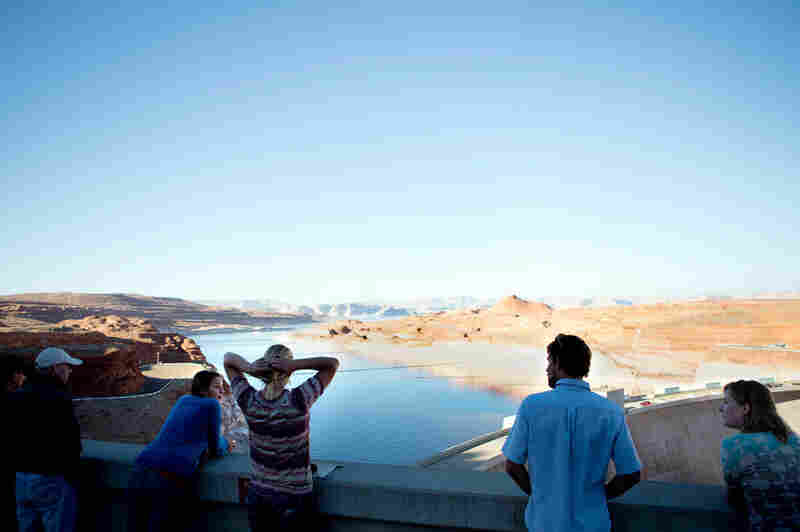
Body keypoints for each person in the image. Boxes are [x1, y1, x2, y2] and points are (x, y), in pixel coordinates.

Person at [502, 333, 642, 532]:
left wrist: (540, 496)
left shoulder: (532, 406)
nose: (547, 368)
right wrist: (598, 497)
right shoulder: (610, 412)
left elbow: (512, 466)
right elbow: (631, 474)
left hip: (544, 524)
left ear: (558, 363)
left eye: (550, 362)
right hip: (593, 525)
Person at [224, 345, 339, 531]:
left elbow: (228, 360)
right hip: (295, 496)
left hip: (259, 494)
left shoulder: (249, 400)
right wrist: (295, 365)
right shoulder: (299, 400)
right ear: (288, 372)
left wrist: (249, 368)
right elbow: (332, 364)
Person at [128, 370, 230, 532]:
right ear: (204, 389)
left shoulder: (184, 400)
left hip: (142, 466)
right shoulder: (212, 404)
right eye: (217, 387)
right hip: (169, 474)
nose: (222, 391)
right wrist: (227, 443)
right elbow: (216, 448)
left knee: (136, 524)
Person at [11, 347, 84, 532]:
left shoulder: (19, 395)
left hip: (21, 478)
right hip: (51, 478)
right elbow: (70, 441)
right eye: (67, 367)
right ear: (55, 369)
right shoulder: (58, 398)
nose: (70, 371)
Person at [719, 380, 800, 531]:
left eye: (726, 402)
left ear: (745, 408)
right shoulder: (794, 440)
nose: (720, 408)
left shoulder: (733, 446)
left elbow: (735, 498)